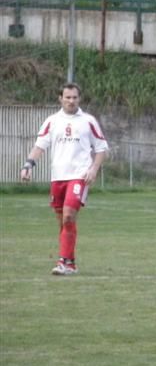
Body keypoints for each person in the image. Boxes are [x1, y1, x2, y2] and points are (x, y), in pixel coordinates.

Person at [19, 82, 109, 275]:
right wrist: (28, 165)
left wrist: (93, 169)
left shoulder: (88, 121)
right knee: (63, 222)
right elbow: (39, 146)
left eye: (74, 97)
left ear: (79, 99)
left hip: (79, 176)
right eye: (67, 97)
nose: (71, 101)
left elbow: (102, 148)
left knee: (69, 215)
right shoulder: (52, 121)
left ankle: (64, 263)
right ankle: (70, 262)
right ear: (60, 98)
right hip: (57, 178)